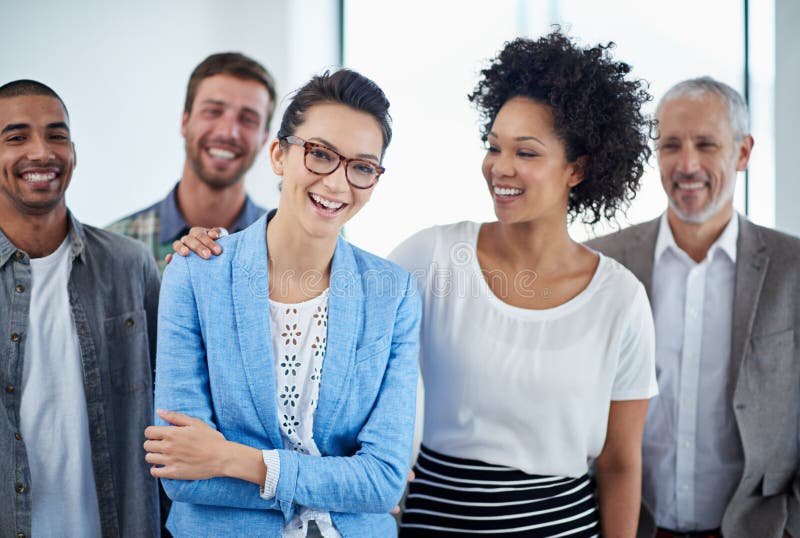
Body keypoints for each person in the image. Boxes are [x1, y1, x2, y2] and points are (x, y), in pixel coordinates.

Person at [388, 32, 658, 536]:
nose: (500, 167)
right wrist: (217, 251)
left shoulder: (621, 300)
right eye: (494, 146)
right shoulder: (434, 258)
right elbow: (327, 303)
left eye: (526, 153)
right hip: (434, 524)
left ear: (575, 169)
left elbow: (620, 464)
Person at [143, 69, 421, 537]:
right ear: (279, 154)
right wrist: (335, 481)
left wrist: (232, 458)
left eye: (362, 167)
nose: (337, 183)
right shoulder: (196, 273)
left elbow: (384, 484)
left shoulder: (392, 292)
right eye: (320, 155)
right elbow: (182, 474)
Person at [587, 77, 800, 538]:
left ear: (743, 153)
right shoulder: (603, 263)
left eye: (706, 145)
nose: (687, 164)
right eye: (670, 145)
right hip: (630, 525)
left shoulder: (794, 269)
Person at [0, 80, 160, 537]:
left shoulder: (130, 266)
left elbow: (172, 411)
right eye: (16, 137)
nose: (41, 152)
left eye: (56, 135)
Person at [107, 52, 276, 272]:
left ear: (264, 138)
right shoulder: (113, 250)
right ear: (185, 122)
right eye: (213, 111)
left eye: (248, 119)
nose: (228, 132)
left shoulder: (284, 246)